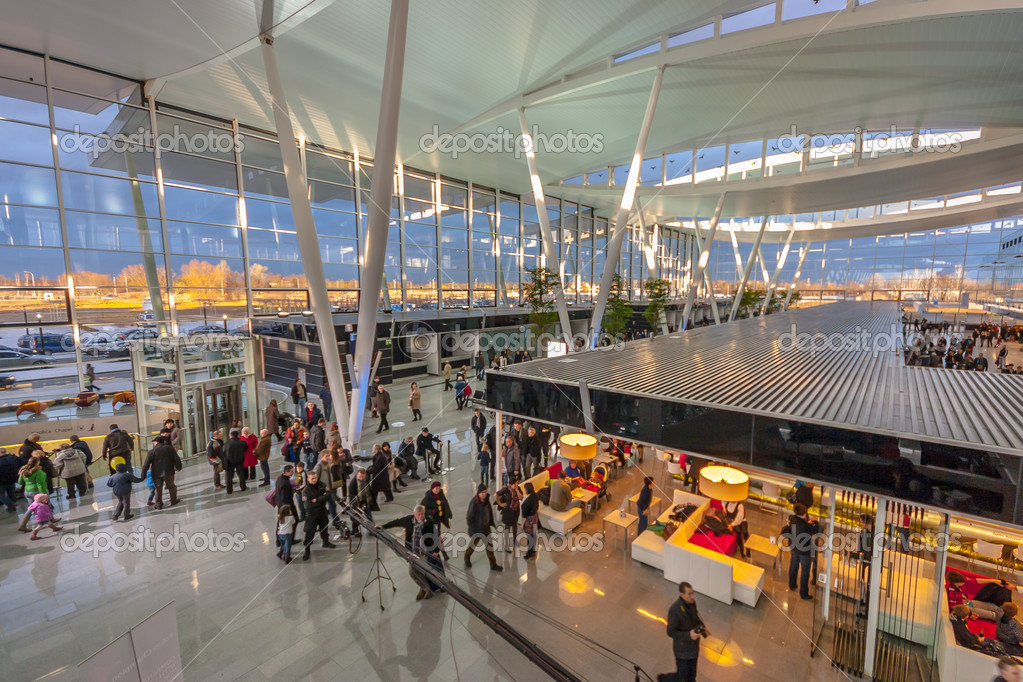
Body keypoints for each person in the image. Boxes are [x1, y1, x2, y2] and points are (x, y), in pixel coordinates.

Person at [381, 504, 444, 600]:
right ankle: (425, 588)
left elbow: (436, 535)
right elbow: (396, 522)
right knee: (412, 572)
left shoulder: (430, 523)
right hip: (412, 552)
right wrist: (383, 526)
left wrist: (436, 550)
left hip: (424, 553)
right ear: (414, 514)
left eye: (422, 514)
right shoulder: (408, 520)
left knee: (424, 571)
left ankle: (428, 589)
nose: (421, 516)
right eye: (418, 514)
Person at [662, 582, 708, 682]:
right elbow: (670, 631)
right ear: (682, 594)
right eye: (689, 594)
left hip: (693, 649)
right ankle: (664, 679)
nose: (692, 596)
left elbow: (695, 618)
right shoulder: (675, 610)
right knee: (682, 678)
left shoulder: (692, 603)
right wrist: (689, 635)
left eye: (693, 593)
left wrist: (702, 628)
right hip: (682, 652)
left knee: (692, 676)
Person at [782, 503, 821, 600]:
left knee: (793, 566)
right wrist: (815, 522)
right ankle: (803, 593)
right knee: (805, 572)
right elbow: (817, 530)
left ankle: (792, 585)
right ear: (804, 514)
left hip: (794, 547)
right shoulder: (806, 526)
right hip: (804, 552)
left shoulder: (793, 519)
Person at [464, 483, 503, 571]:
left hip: (486, 527)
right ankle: (467, 558)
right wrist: (473, 530)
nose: (484, 494)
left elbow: (489, 511)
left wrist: (490, 522)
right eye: (482, 492)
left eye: (485, 492)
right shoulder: (474, 503)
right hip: (477, 529)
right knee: (472, 545)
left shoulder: (486, 500)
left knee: (489, 546)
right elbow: (469, 518)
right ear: (478, 493)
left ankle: (493, 565)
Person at [300, 470, 336, 560]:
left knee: (324, 527)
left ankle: (326, 542)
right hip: (312, 514)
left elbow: (328, 494)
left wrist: (317, 499)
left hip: (322, 512)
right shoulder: (306, 491)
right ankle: (307, 550)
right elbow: (308, 505)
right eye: (312, 478)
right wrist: (322, 499)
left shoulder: (321, 484)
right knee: (310, 532)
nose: (314, 480)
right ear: (308, 479)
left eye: (315, 478)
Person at [140, 435, 182, 509]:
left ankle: (159, 504)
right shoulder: (169, 448)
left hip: (156, 474)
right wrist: (179, 467)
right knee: (171, 486)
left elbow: (146, 464)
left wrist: (143, 475)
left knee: (158, 489)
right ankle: (173, 500)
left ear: (156, 442)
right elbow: (176, 458)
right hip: (168, 471)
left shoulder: (152, 451)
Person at [16, 457, 49, 532]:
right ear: (38, 462)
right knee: (47, 504)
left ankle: (22, 524)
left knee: (31, 508)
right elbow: (40, 484)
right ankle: (51, 519)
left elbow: (20, 482)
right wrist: (44, 494)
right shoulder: (39, 472)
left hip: (27, 492)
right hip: (36, 492)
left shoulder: (23, 470)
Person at [223, 429, 248, 494]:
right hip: (239, 460)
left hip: (230, 461)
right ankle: (243, 486)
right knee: (241, 474)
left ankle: (229, 489)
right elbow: (246, 449)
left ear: (231, 435)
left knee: (229, 476)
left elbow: (223, 452)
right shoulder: (242, 442)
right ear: (238, 435)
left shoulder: (227, 443)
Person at [521, 482, 539, 560]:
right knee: (534, 534)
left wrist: (522, 524)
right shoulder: (535, 496)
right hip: (535, 517)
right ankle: (533, 550)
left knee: (529, 535)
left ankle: (529, 552)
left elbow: (524, 515)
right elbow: (537, 506)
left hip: (529, 520)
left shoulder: (527, 501)